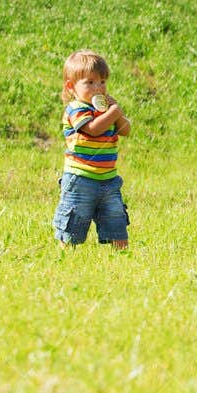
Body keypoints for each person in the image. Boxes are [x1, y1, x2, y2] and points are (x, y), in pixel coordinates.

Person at [53, 49, 132, 249]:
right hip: (80, 179)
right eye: (90, 82)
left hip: (108, 179)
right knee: (73, 220)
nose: (98, 88)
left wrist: (117, 114)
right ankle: (65, 254)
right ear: (71, 87)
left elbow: (126, 130)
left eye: (102, 82)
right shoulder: (76, 109)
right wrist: (112, 113)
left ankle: (122, 255)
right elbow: (94, 130)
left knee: (117, 220)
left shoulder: (106, 110)